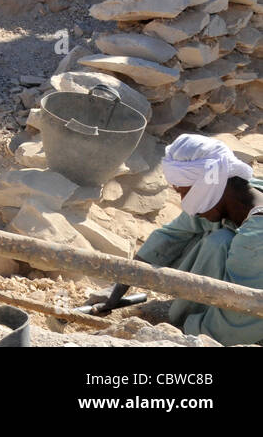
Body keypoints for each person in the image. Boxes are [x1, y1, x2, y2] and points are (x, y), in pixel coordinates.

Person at [95, 134, 263, 346]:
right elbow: (170, 237)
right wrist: (117, 288)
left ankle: (189, 320)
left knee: (218, 242)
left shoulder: (256, 238)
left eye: (184, 192)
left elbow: (240, 319)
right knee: (216, 240)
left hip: (251, 319)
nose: (184, 203)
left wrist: (182, 335)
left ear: (209, 182)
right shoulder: (234, 197)